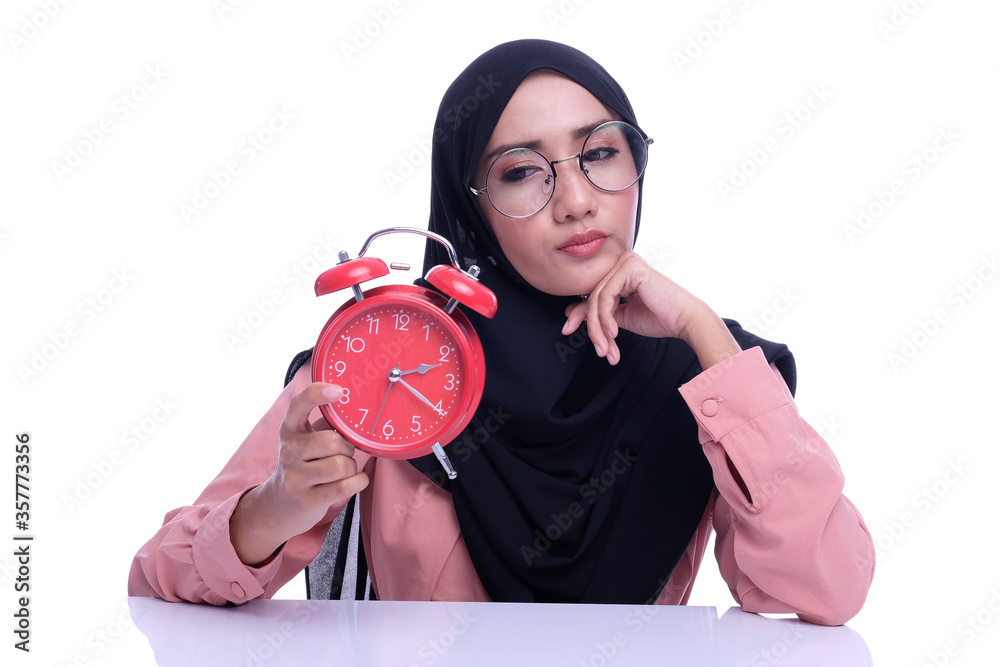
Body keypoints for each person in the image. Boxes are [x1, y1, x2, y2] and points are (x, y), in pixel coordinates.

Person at [129, 39, 874, 625]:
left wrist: (704, 334)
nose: (578, 200)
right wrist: (281, 503)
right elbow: (160, 575)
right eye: (523, 172)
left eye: (602, 153)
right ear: (470, 203)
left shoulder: (705, 374)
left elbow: (826, 589)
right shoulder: (391, 352)